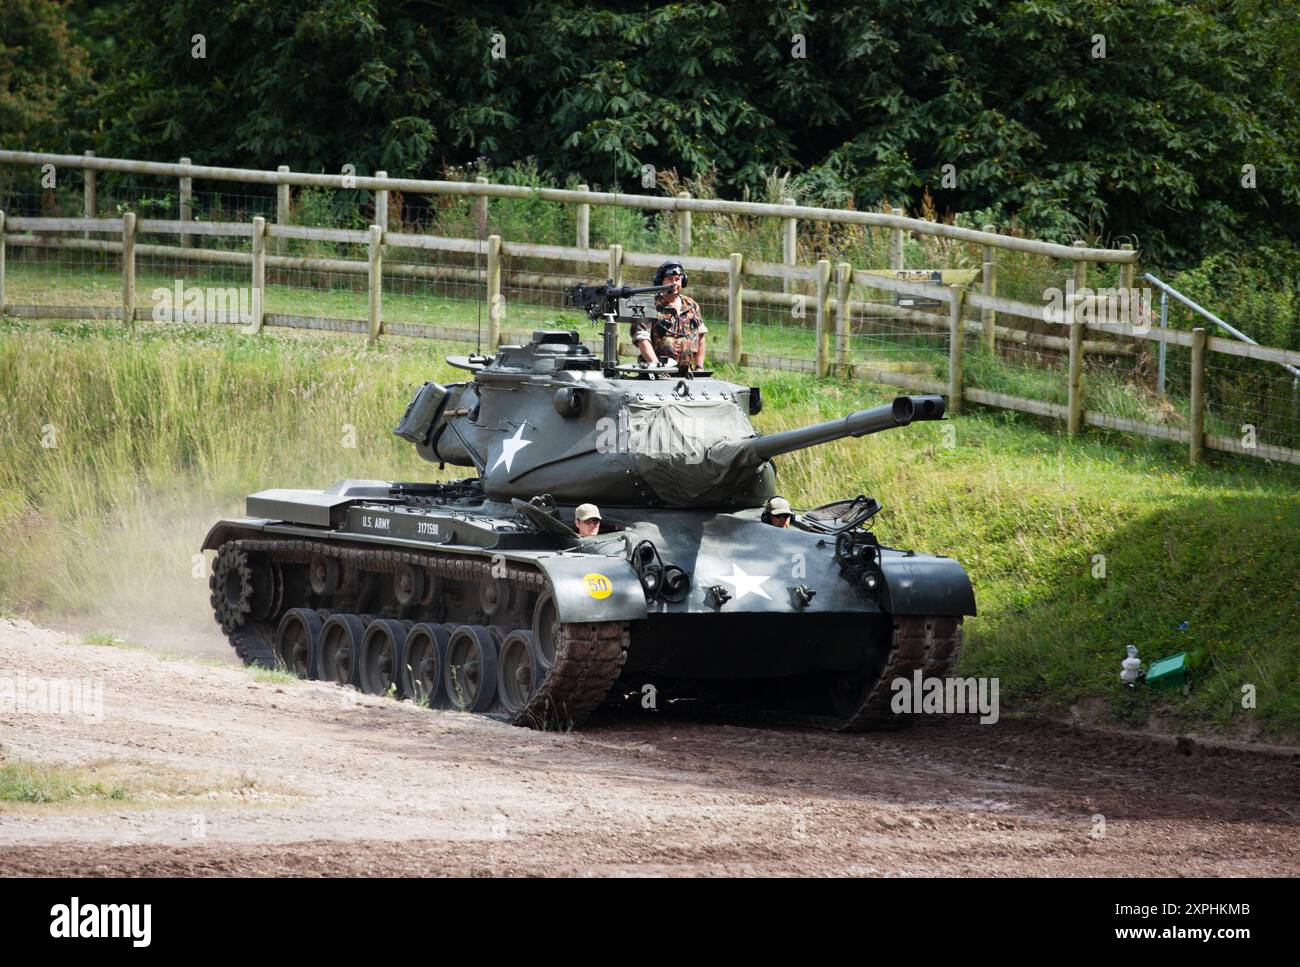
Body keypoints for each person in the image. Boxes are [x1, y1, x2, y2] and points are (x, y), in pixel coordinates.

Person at [632, 260, 707, 370]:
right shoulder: (648, 306)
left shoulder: (691, 305)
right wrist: (657, 367)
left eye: (677, 279)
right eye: (670, 280)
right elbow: (642, 340)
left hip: (687, 373)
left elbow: (701, 337)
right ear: (661, 282)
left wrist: (699, 367)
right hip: (656, 374)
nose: (674, 283)